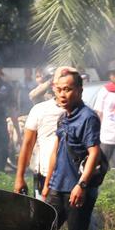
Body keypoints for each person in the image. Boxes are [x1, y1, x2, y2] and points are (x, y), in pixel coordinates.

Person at [43, 68, 107, 230]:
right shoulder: (64, 117)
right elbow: (56, 151)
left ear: (79, 91)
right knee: (44, 229)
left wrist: (82, 185)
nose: (63, 94)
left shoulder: (88, 117)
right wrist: (46, 184)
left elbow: (94, 153)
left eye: (68, 89)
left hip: (77, 188)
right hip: (57, 185)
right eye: (59, 90)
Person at [15, 66, 73, 196]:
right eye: (57, 83)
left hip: (72, 175)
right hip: (44, 170)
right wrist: (19, 177)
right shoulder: (40, 107)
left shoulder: (80, 110)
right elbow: (27, 144)